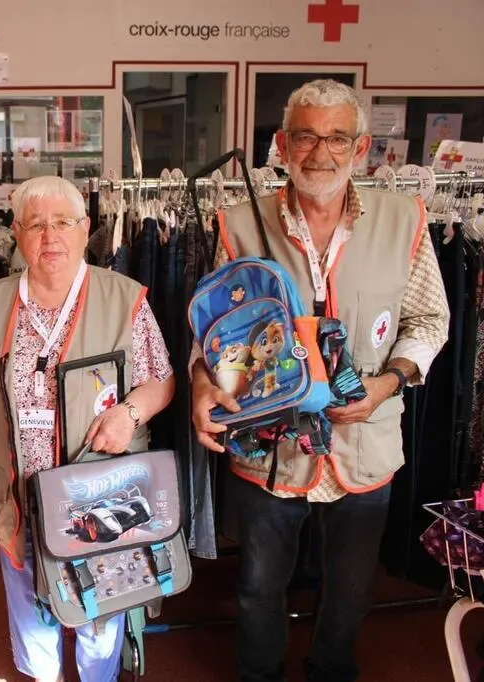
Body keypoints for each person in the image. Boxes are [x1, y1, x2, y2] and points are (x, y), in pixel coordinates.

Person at [190, 79, 451, 682]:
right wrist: (204, 384)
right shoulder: (237, 224)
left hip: (366, 442)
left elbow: (429, 320)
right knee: (258, 588)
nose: (321, 152)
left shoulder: (404, 219)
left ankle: (331, 671)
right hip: (269, 446)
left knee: (353, 589)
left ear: (360, 148)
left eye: (337, 138)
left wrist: (388, 383)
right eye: (306, 137)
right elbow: (215, 336)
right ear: (282, 146)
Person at [0, 175, 175, 682]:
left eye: (63, 222)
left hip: (98, 493)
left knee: (100, 604)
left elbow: (161, 381)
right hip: (18, 490)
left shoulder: (123, 298)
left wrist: (129, 414)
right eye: (36, 224)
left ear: (86, 229)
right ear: (17, 232)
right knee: (28, 597)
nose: (50, 236)